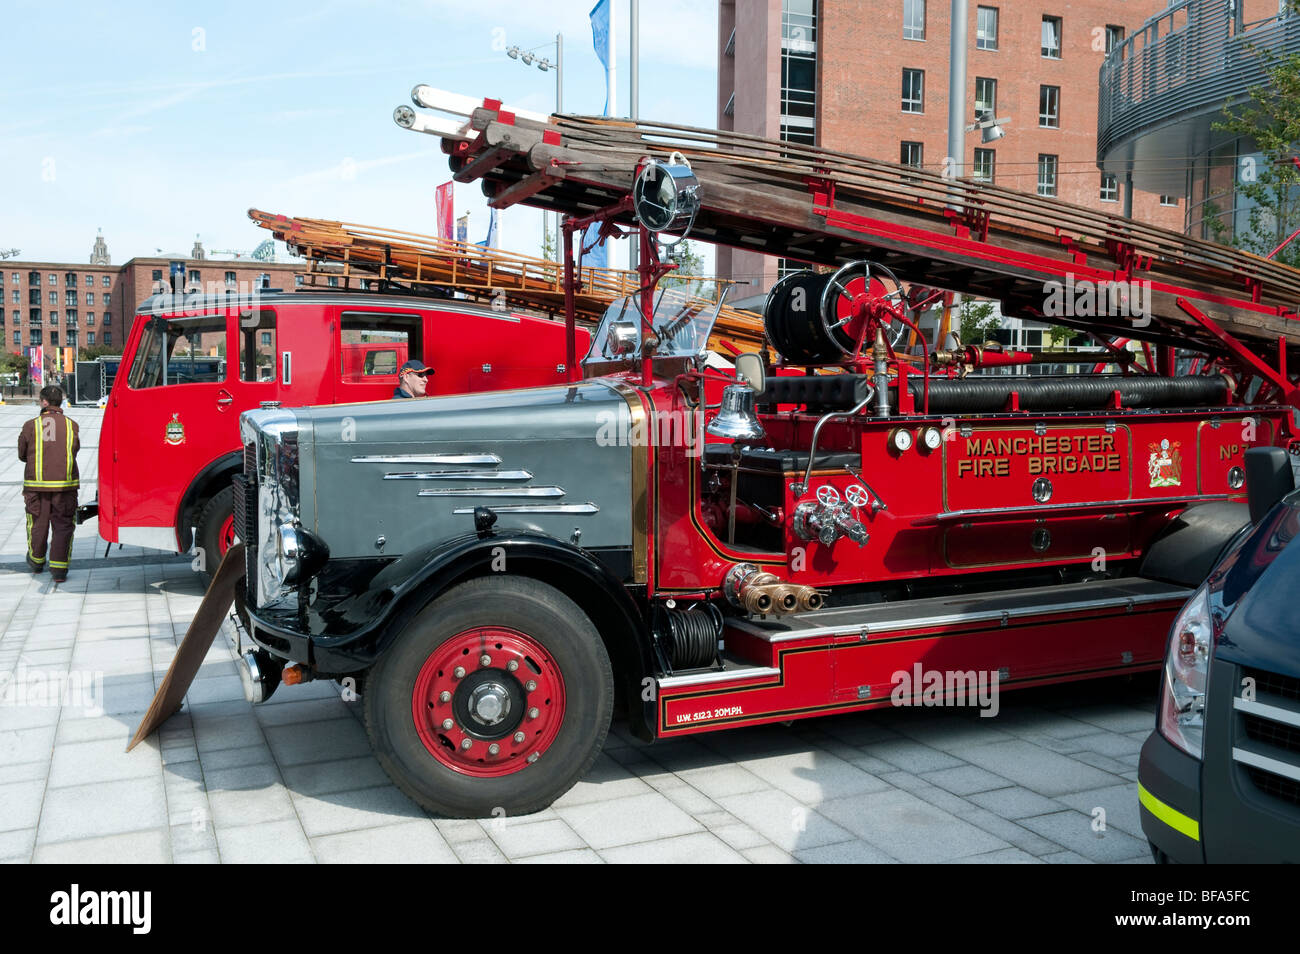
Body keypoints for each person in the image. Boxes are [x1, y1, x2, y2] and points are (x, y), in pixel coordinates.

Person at [18, 385, 80, 583]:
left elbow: (22, 454)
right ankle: (59, 570)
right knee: (63, 525)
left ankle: (36, 562)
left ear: (44, 402)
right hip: (65, 486)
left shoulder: (30, 425)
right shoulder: (72, 425)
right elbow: (74, 449)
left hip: (36, 487)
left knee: (37, 523)